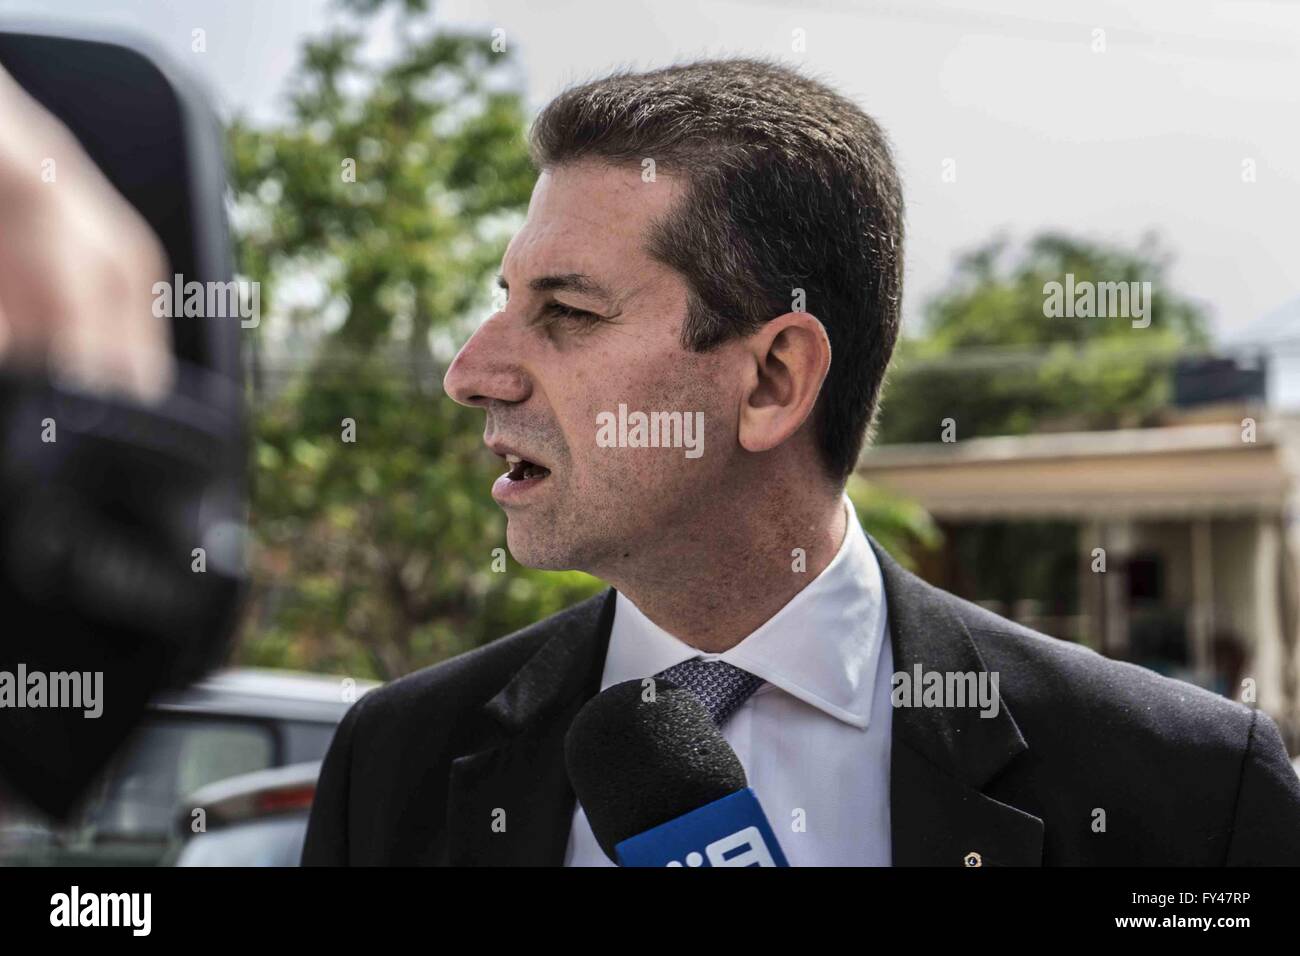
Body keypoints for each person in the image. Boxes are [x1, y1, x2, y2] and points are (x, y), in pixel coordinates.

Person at [301, 58, 1300, 866]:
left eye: (565, 311)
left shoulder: (1190, 790)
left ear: (775, 377)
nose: (472, 371)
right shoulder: (394, 765)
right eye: (503, 298)